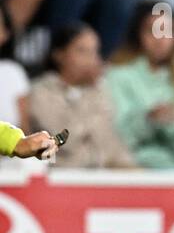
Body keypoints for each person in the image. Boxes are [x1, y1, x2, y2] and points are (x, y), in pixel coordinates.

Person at [105, 2, 174, 168]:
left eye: (168, 31)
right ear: (137, 34)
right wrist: (149, 119)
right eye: (152, 31)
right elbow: (116, 136)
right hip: (132, 165)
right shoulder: (117, 73)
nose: (161, 39)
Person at [28, 23, 135, 168]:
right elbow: (65, 139)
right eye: (82, 51)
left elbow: (110, 140)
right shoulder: (41, 92)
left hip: (106, 175)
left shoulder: (100, 89)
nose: (91, 59)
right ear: (59, 54)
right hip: (63, 175)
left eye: (94, 52)